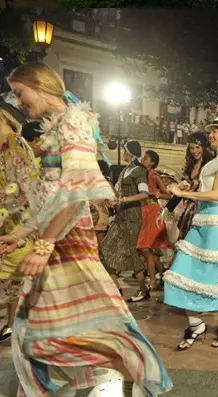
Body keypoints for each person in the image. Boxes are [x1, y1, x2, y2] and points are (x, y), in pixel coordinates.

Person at [3, 62, 171, 397]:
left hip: (68, 238)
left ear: (40, 84)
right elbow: (55, 194)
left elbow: (76, 190)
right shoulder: (56, 127)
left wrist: (43, 243)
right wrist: (26, 234)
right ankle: (107, 380)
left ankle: (130, 378)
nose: (19, 102)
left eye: (20, 93)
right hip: (56, 235)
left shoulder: (74, 120)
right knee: (50, 325)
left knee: (81, 321)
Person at [163, 113, 218, 350]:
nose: (211, 134)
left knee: (208, 280)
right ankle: (196, 323)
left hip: (216, 223)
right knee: (180, 271)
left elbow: (217, 194)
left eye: (215, 131)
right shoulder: (211, 162)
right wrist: (188, 186)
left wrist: (184, 194)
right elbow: (205, 188)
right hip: (201, 221)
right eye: (211, 131)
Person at [0, 99, 38, 343]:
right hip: (11, 226)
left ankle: (15, 326)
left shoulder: (17, 144)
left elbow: (23, 190)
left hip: (19, 226)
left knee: (19, 281)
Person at [100, 140, 151, 301]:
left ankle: (143, 289)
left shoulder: (139, 171)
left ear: (130, 153)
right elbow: (119, 193)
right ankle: (116, 287)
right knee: (105, 249)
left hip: (133, 217)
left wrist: (124, 200)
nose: (124, 153)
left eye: (125, 151)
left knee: (130, 252)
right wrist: (113, 199)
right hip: (121, 216)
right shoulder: (125, 171)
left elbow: (144, 193)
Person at [136, 149, 171, 291]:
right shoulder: (139, 173)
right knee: (149, 248)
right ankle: (163, 274)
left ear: (152, 162)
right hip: (142, 211)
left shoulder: (153, 175)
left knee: (145, 247)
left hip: (152, 210)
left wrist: (155, 194)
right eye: (143, 157)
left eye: (146, 158)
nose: (143, 159)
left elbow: (167, 195)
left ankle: (152, 280)